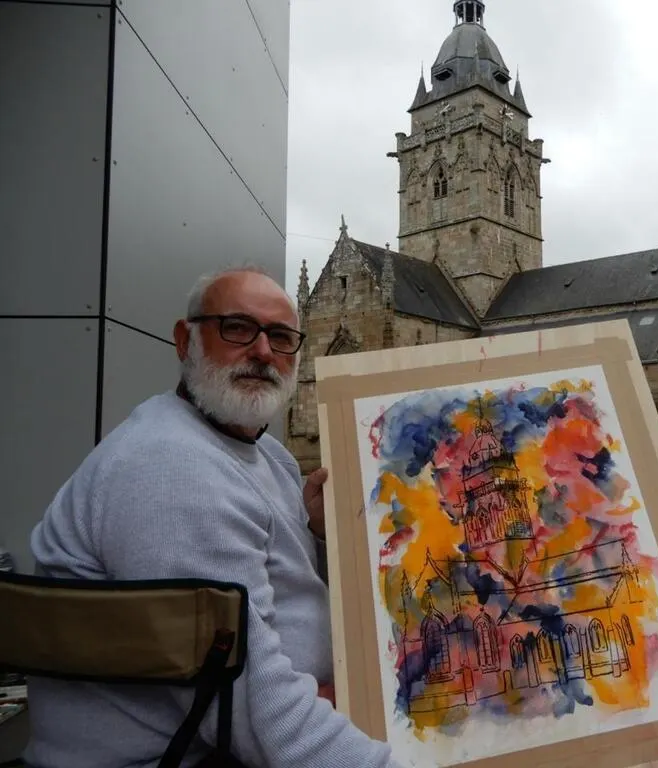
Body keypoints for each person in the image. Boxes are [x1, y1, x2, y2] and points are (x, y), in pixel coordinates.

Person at [24, 266, 403, 767]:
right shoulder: (168, 468)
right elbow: (259, 721)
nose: (264, 351)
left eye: (282, 337)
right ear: (186, 340)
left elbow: (284, 588)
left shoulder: (265, 454)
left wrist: (316, 533)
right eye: (238, 328)